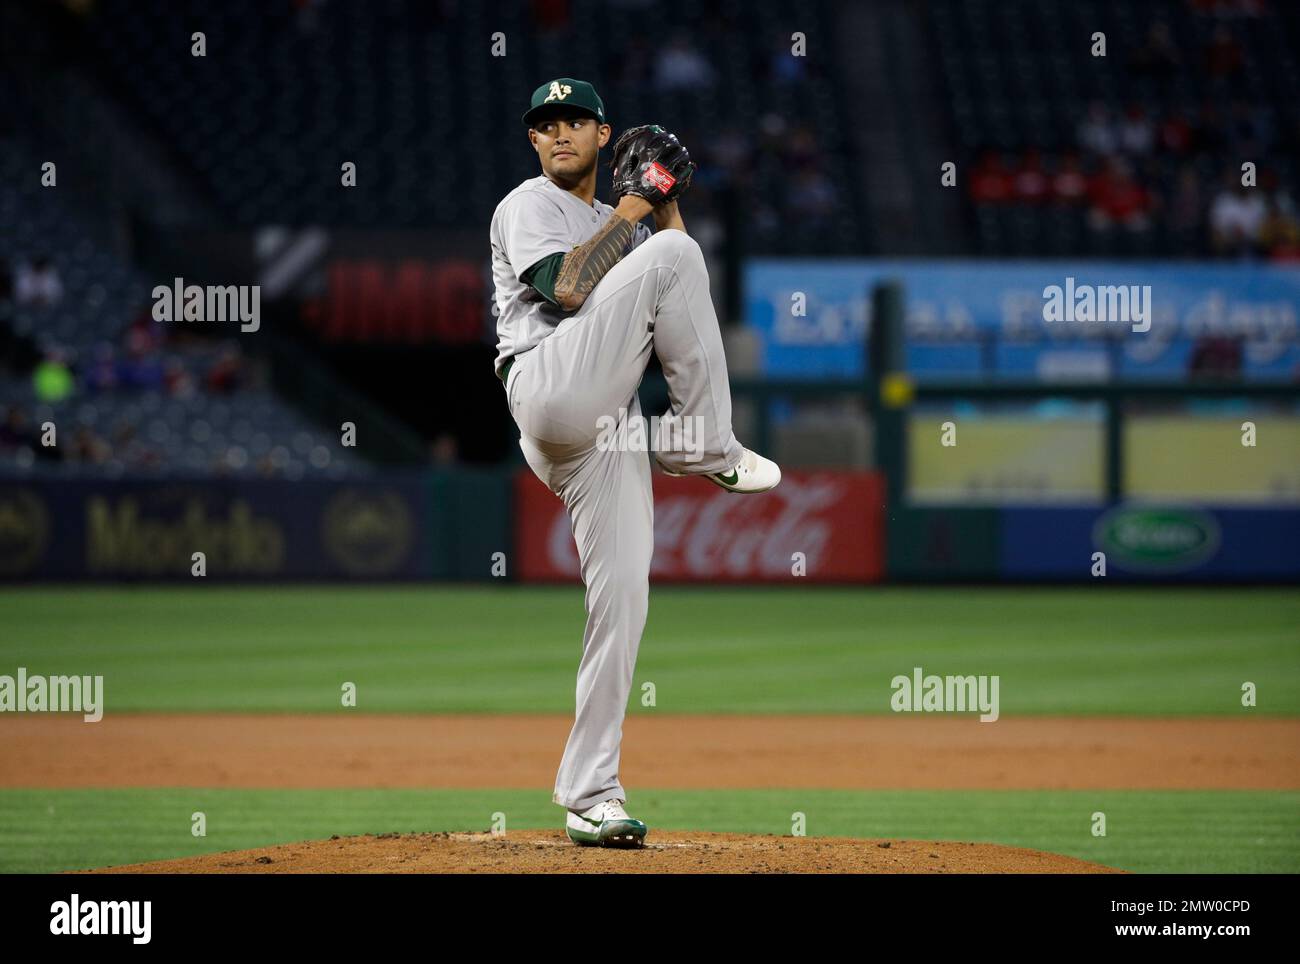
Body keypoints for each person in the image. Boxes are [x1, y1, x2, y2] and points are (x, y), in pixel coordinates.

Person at [489, 78, 780, 848]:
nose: (558, 133)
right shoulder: (528, 206)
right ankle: (703, 444)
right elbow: (572, 285)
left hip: (610, 423)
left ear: (602, 133)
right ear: (532, 140)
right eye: (545, 123)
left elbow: (673, 271)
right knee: (676, 255)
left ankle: (591, 793)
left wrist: (668, 193)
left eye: (574, 121)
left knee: (622, 599)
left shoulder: (629, 221)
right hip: (549, 387)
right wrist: (639, 206)